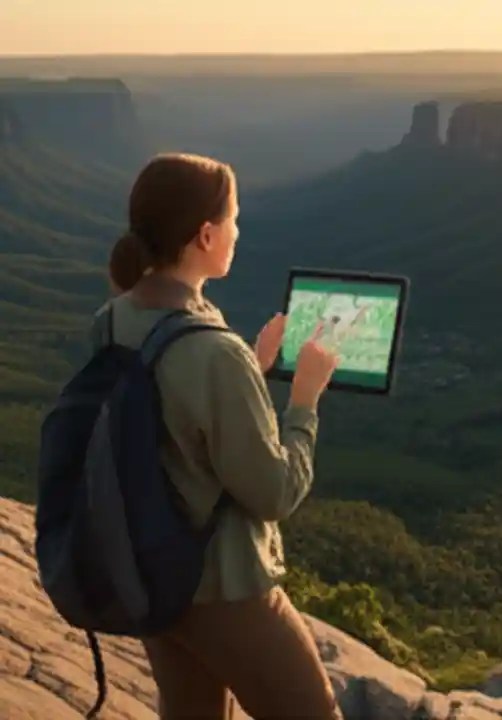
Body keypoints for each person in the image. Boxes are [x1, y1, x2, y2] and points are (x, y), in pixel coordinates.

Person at [102, 152, 342, 719]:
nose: (238, 230)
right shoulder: (213, 351)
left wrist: (251, 375)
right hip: (223, 587)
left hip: (150, 574)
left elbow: (168, 424)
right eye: (234, 218)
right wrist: (303, 399)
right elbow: (274, 493)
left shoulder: (115, 319)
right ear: (206, 235)